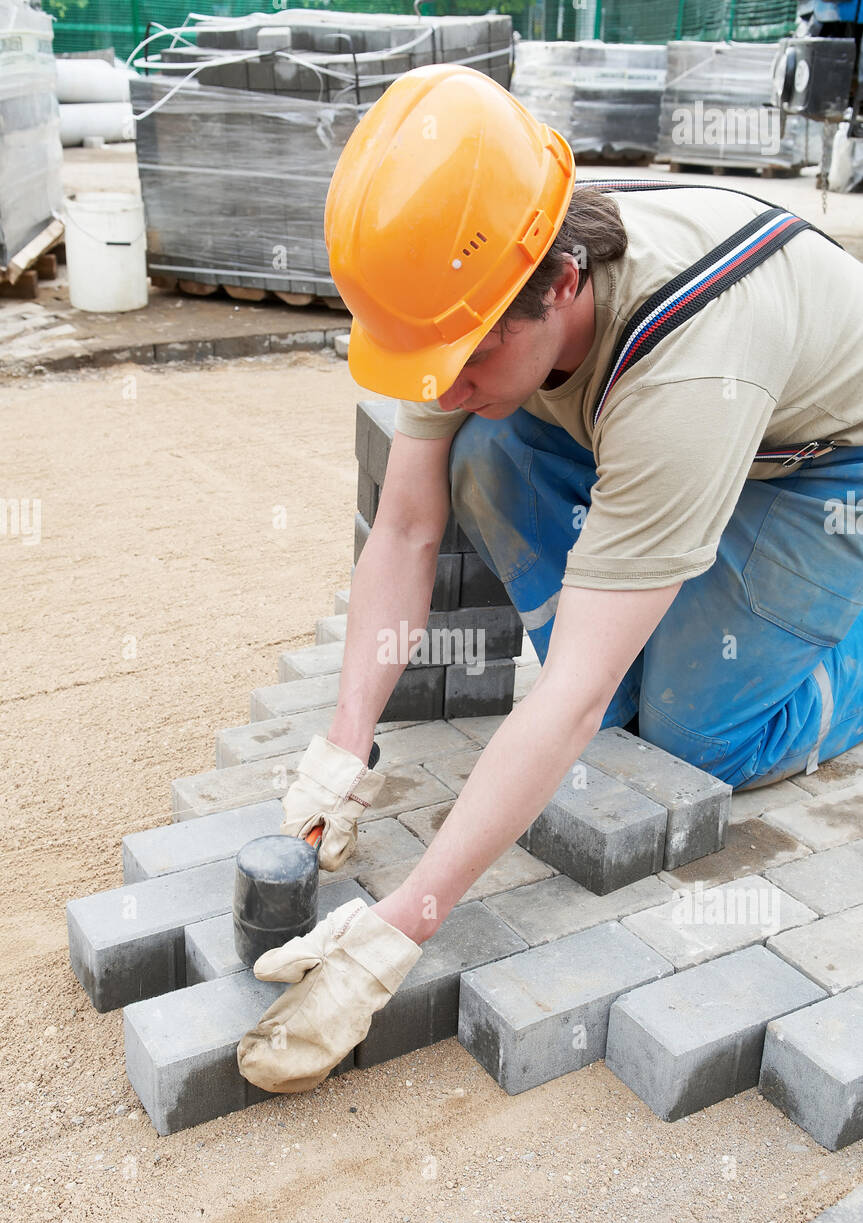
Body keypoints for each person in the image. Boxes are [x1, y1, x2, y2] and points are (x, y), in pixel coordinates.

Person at [236, 63, 863, 1094]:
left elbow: (561, 702)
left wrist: (402, 927)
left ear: (561, 280)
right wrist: (340, 748)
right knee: (482, 452)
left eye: (466, 362)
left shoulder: (686, 370)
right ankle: (648, 612)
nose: (444, 384)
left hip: (816, 466)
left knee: (691, 741)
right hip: (672, 425)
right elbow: (401, 525)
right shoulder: (468, 285)